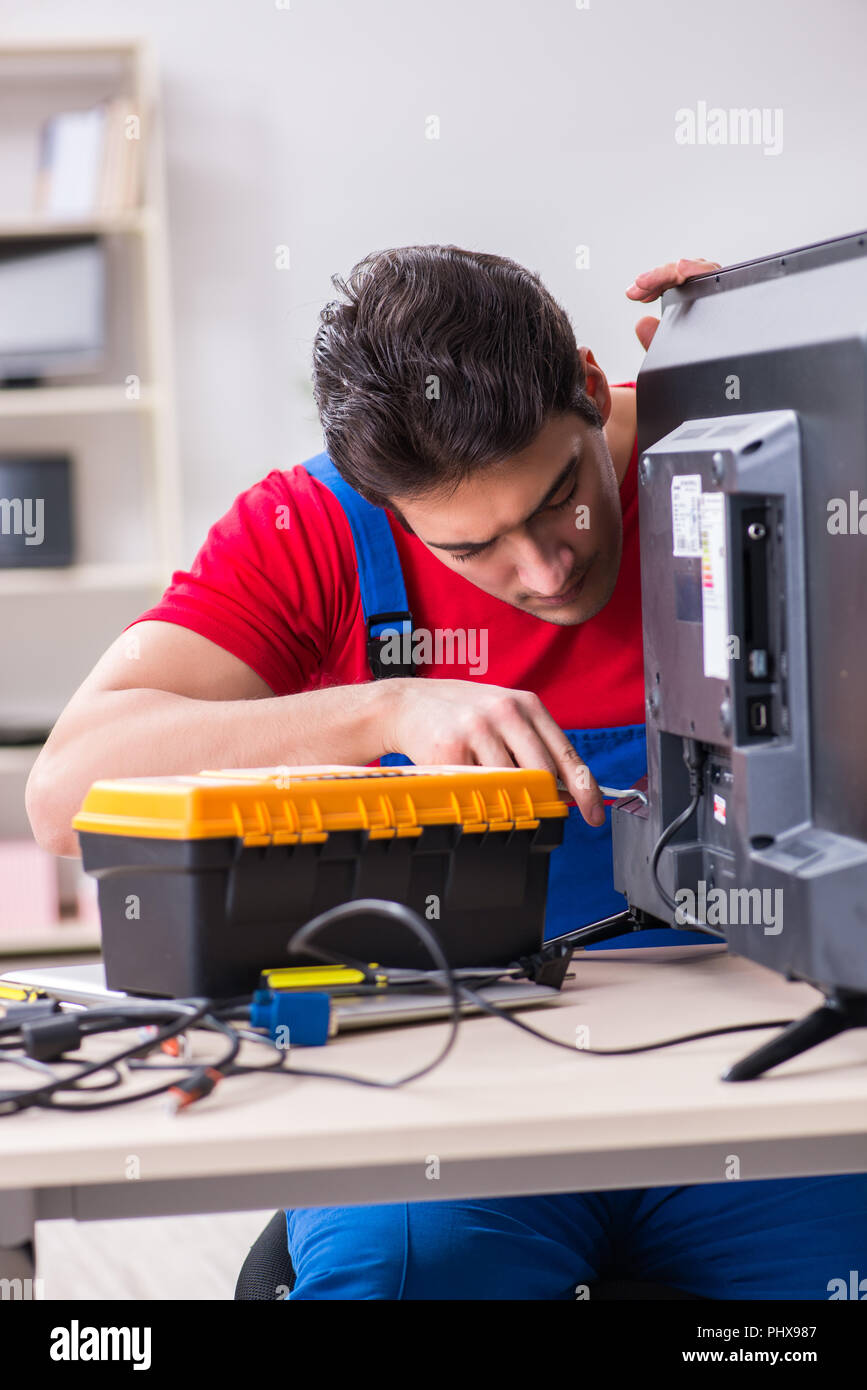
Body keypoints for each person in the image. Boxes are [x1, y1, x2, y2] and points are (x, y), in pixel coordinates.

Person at [27, 246, 867, 1300]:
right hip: (446, 1092)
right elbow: (65, 792)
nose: (545, 566)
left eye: (561, 493)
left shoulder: (748, 446)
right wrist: (386, 705)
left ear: (590, 380)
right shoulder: (314, 530)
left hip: (755, 1061)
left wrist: (800, 379)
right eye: (476, 547)